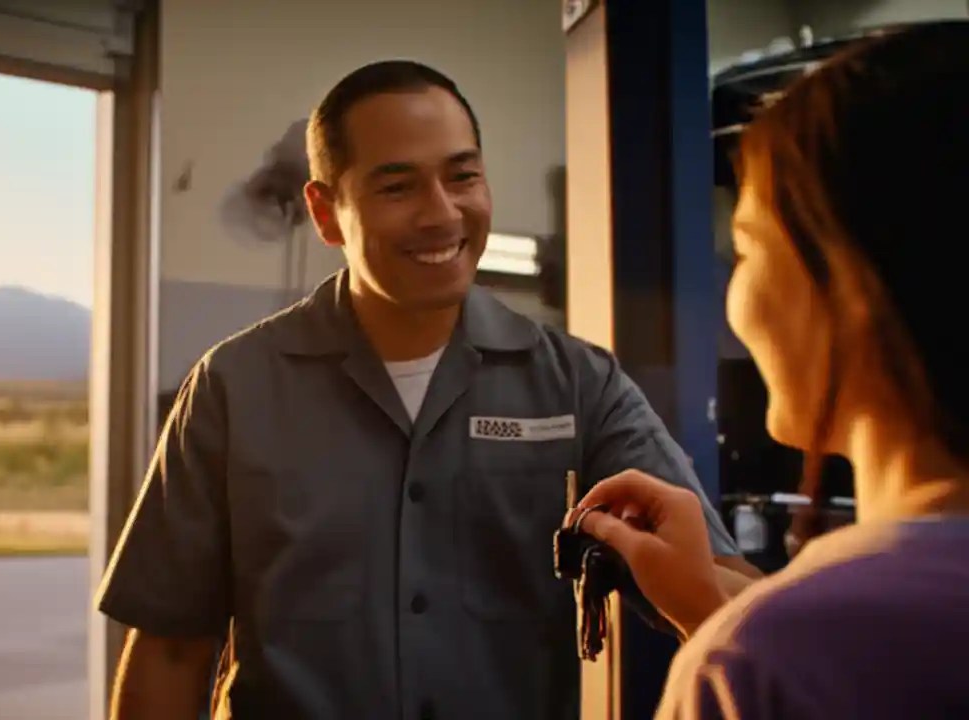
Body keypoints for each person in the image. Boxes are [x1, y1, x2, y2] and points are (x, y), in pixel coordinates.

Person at [97, 60, 756, 720]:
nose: (442, 214)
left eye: (462, 175)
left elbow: (727, 592)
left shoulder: (580, 386)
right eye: (397, 187)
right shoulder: (232, 390)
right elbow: (171, 652)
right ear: (327, 213)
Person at [572, 22, 969, 719]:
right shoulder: (772, 653)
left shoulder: (766, 663)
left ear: (851, 289)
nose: (736, 300)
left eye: (749, 249)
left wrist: (733, 652)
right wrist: (715, 613)